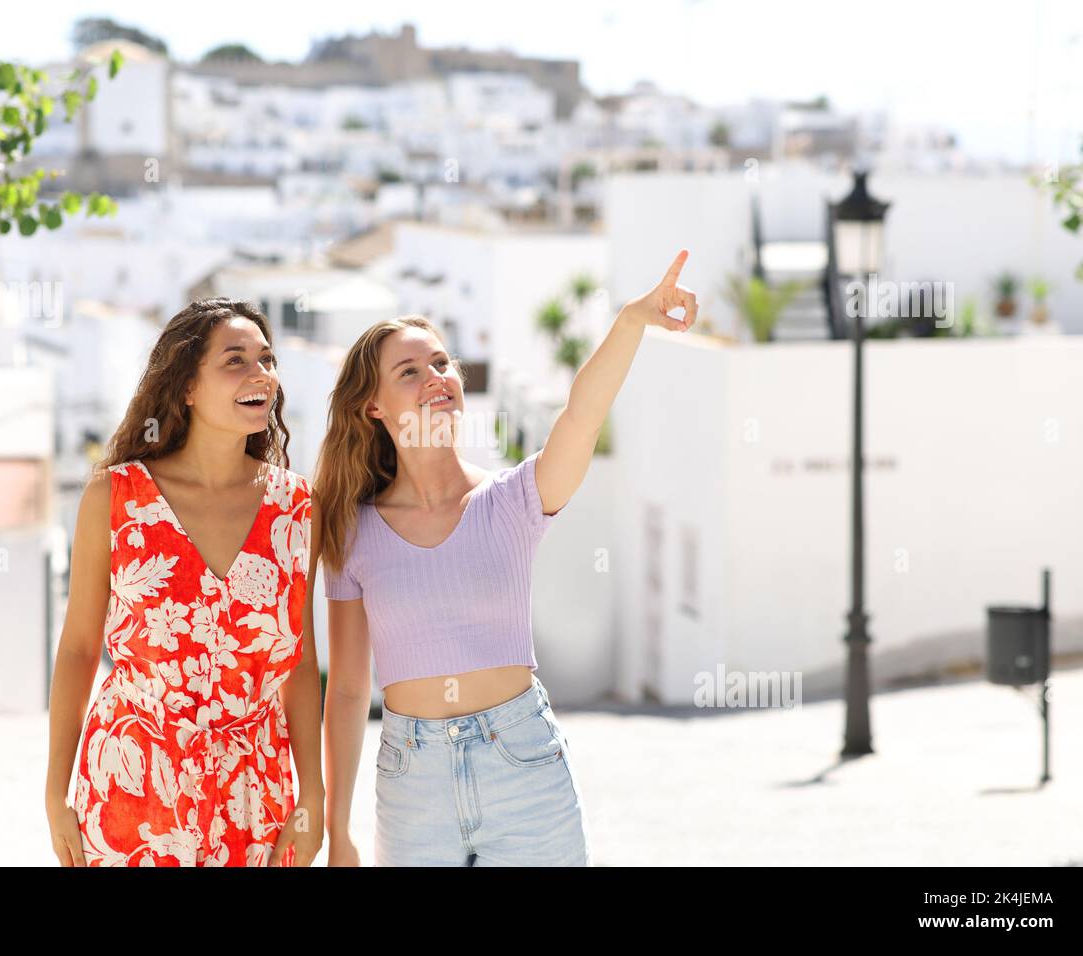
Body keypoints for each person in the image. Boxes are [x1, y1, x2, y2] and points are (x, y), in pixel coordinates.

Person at [314, 250, 697, 866]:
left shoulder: (513, 501)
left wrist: (631, 321)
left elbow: (580, 415)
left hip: (524, 768)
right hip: (414, 787)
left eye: (441, 362)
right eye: (409, 371)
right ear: (373, 408)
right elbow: (351, 689)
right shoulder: (352, 533)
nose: (436, 376)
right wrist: (338, 829)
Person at [45, 298, 324, 867]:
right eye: (235, 360)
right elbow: (77, 648)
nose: (260, 374)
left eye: (266, 359)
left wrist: (312, 794)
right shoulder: (115, 497)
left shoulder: (296, 507)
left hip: (256, 793)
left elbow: (298, 661)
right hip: (132, 782)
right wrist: (56, 792)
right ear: (187, 387)